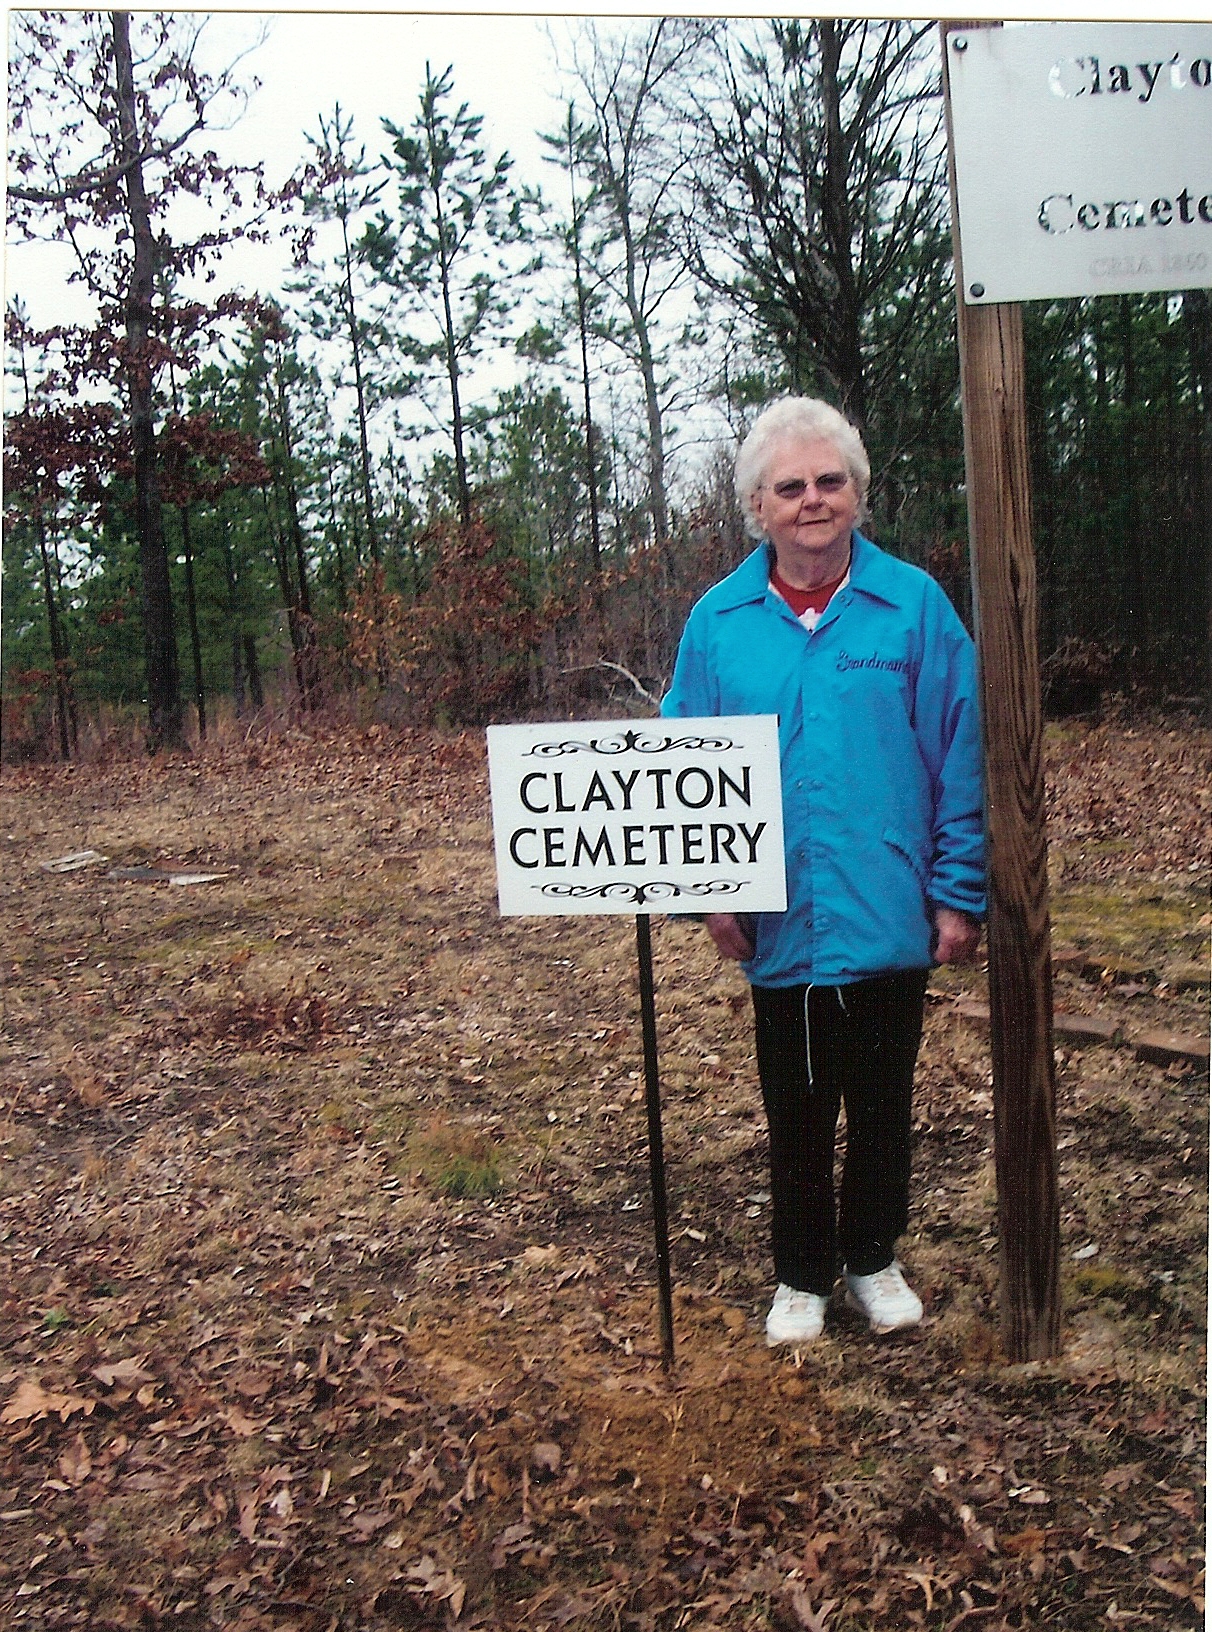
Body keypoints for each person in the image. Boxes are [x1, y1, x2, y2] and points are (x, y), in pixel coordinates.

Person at [661, 396, 985, 1347]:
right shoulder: (718, 623)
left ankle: (872, 1260)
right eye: (790, 486)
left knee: (883, 1105)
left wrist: (957, 892)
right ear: (757, 506)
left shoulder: (915, 608)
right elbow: (686, 770)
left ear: (858, 494)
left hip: (888, 914)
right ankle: (801, 1275)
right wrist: (710, 899)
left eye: (829, 482)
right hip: (781, 923)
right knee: (796, 1108)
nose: (813, 501)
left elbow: (958, 754)